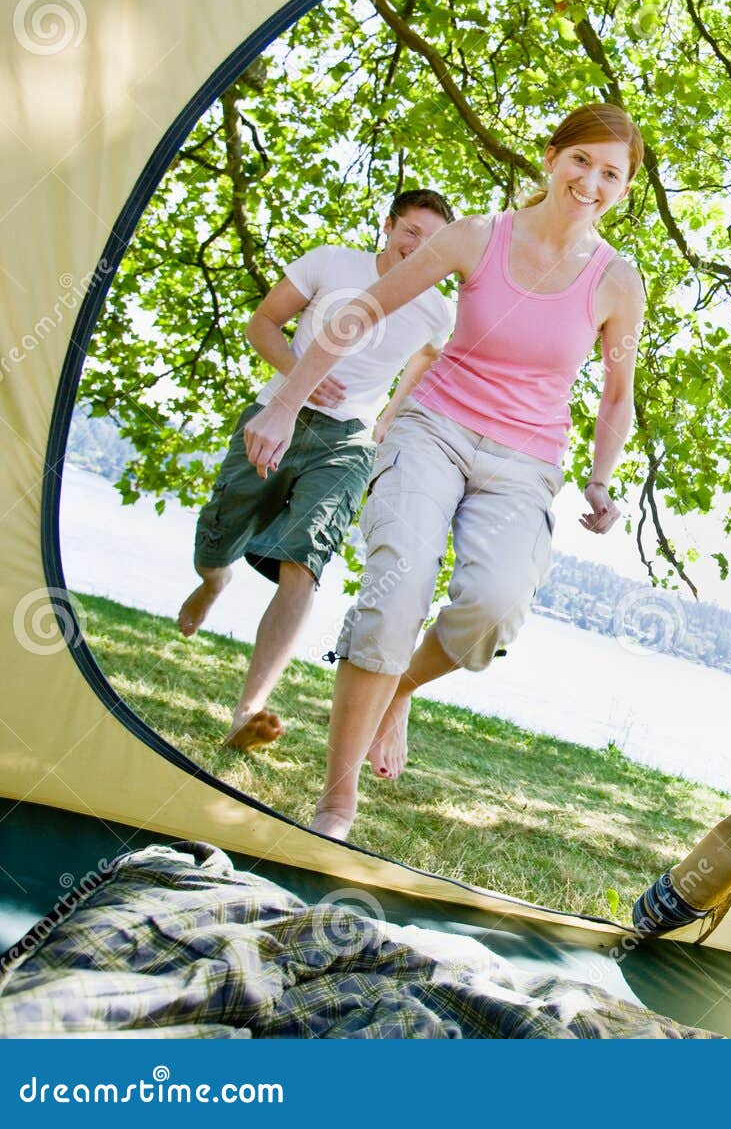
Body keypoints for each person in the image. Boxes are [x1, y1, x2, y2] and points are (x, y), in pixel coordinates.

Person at [242, 104, 647, 841]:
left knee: (491, 610)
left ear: (624, 189)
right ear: (552, 158)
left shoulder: (617, 282)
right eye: (581, 160)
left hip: (526, 461)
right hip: (433, 429)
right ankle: (336, 805)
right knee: (395, 592)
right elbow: (362, 310)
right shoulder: (477, 237)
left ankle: (398, 685)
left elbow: (617, 395)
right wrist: (284, 405)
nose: (591, 180)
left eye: (611, 172)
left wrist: (599, 479)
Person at [178, 189, 458, 752]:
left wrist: (388, 420)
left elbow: (426, 363)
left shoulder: (438, 311)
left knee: (303, 562)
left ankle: (247, 711)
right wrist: (298, 372)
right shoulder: (332, 262)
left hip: (346, 442)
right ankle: (215, 578)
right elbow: (262, 324)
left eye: (431, 242)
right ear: (387, 227)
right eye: (410, 232)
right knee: (216, 538)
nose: (417, 248)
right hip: (277, 414)